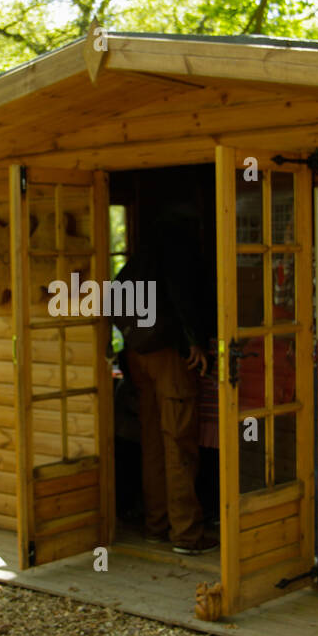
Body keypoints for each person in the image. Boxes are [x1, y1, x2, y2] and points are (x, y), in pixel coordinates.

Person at [114, 211, 218, 556]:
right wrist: (195, 341)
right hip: (170, 358)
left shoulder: (137, 263)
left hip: (137, 356)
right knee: (180, 444)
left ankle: (156, 525)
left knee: (153, 443)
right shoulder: (178, 255)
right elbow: (183, 300)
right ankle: (187, 534)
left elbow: (114, 300)